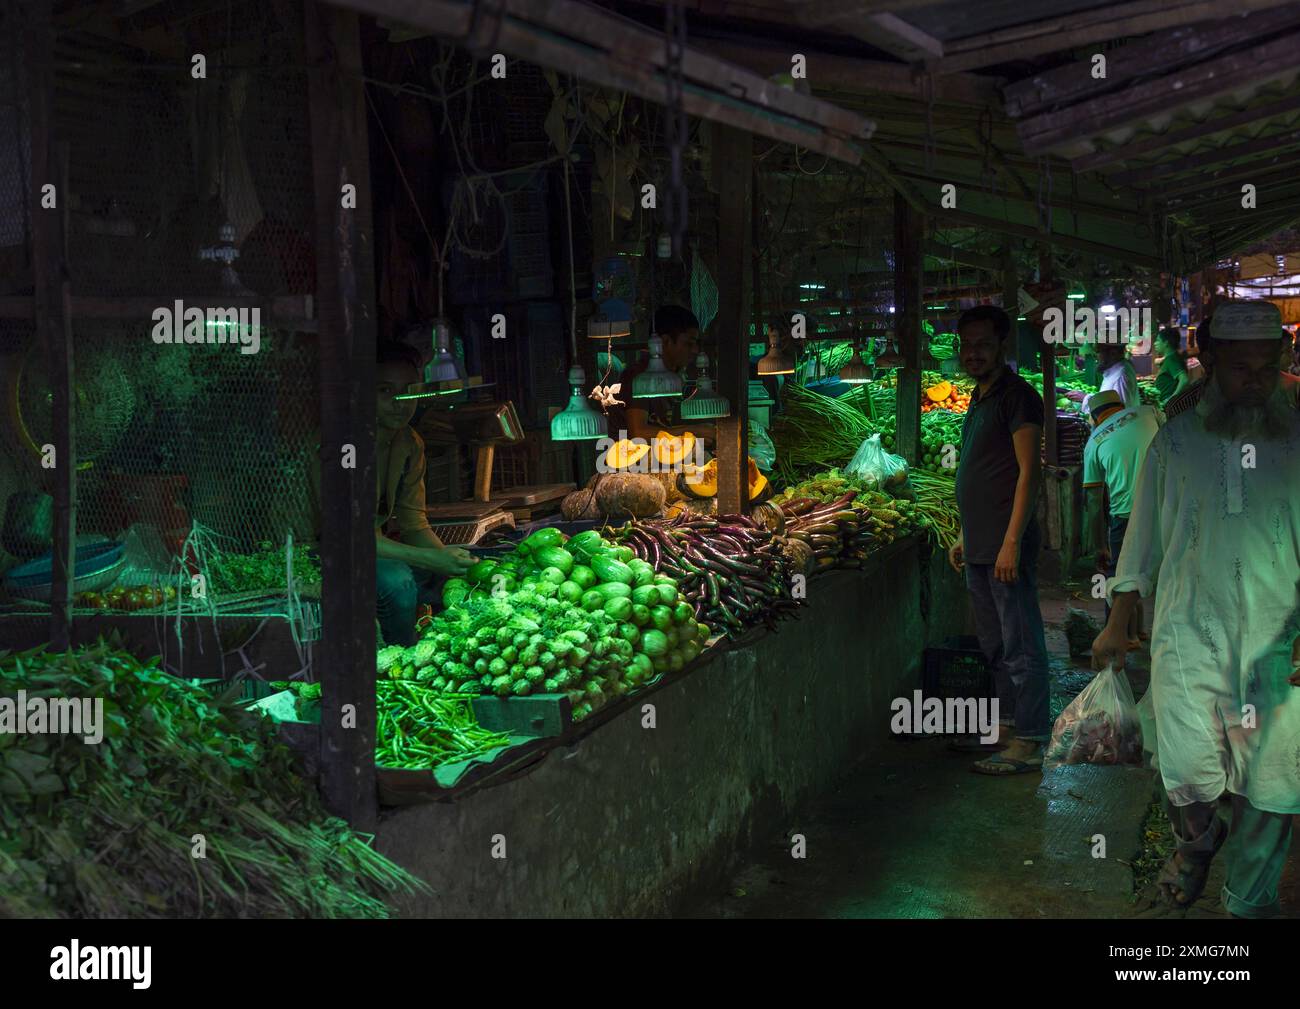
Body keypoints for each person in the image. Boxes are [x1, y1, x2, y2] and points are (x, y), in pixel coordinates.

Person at [1092, 300, 1300, 917]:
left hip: (1277, 644)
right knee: (1187, 767)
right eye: (1241, 366)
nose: (1256, 380)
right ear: (1208, 363)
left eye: (1269, 365)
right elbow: (1142, 544)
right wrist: (1116, 623)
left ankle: (1246, 908)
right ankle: (1199, 842)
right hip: (1187, 635)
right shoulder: (1174, 444)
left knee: (1273, 783)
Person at [310, 342, 473, 647]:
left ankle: (441, 653)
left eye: (409, 389)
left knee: (444, 580)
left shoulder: (409, 443)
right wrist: (432, 559)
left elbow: (414, 524)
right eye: (385, 391)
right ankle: (400, 660)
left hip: (372, 547)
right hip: (318, 551)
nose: (400, 402)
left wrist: (449, 564)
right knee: (398, 581)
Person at [947, 305, 1051, 774]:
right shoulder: (979, 396)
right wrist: (967, 534)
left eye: (983, 344)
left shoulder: (1018, 397)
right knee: (994, 642)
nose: (973, 353)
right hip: (982, 544)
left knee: (1021, 640)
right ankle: (1007, 726)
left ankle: (1029, 738)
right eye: (966, 345)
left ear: (1001, 346)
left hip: (1007, 544)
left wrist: (1011, 541)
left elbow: (1030, 473)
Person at [1081, 389, 1160, 644]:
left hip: (1125, 515)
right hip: (1166, 504)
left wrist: (1099, 546)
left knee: (1119, 577)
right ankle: (1143, 632)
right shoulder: (1150, 412)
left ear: (1094, 417)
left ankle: (1118, 639)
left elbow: (1093, 502)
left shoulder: (1094, 441)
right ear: (1122, 405)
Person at [606, 305, 711, 445]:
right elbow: (639, 433)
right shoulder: (638, 376)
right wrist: (696, 431)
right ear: (666, 341)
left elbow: (663, 429)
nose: (695, 350)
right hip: (630, 462)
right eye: (689, 343)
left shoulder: (671, 378)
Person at [1093, 338, 1138, 409]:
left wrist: (1085, 399)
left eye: (1098, 352)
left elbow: (1119, 412)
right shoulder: (1118, 370)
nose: (1096, 356)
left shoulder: (1120, 376)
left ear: (1113, 353)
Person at [1152, 328, 1190, 407]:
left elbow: (1184, 379)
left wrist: (1171, 399)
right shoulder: (1171, 357)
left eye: (1158, 340)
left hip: (1170, 407)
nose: (1155, 343)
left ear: (1166, 343)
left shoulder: (1171, 359)